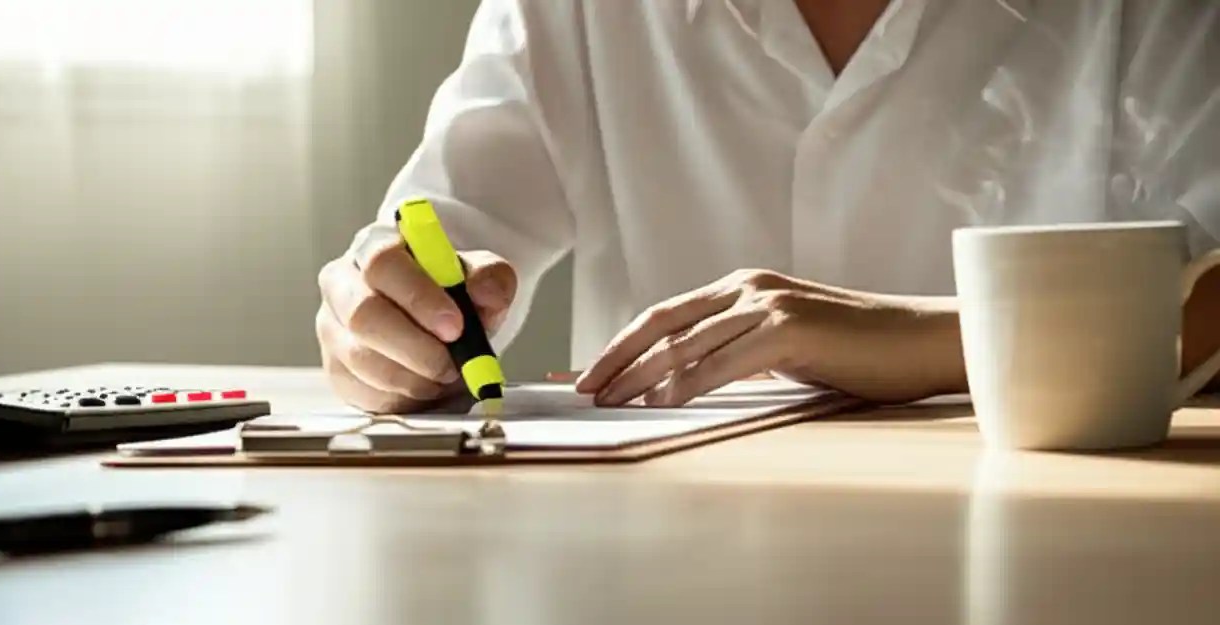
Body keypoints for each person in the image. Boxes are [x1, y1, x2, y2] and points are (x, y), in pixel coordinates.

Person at [316, 0, 1220, 413]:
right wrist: (390, 322)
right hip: (656, 583)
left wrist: (919, 340)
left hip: (1056, 560)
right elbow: (438, 238)